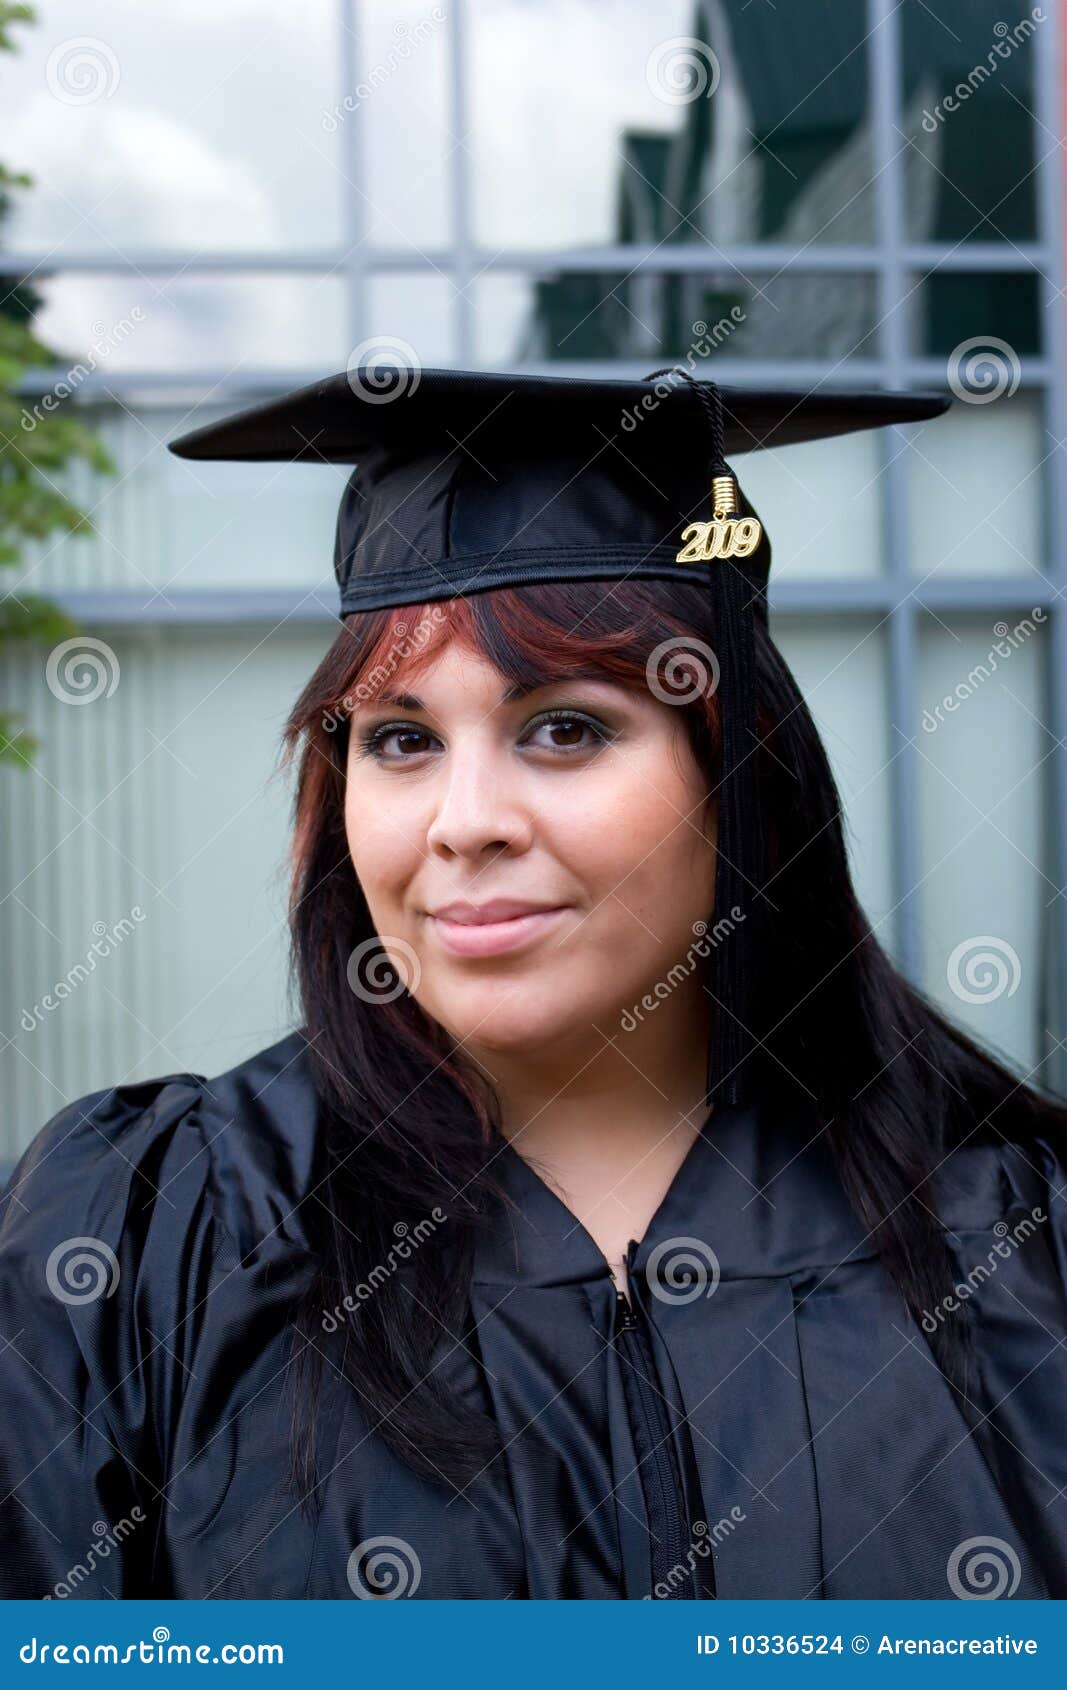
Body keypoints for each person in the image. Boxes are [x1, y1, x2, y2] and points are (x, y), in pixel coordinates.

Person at [1, 366, 1065, 1602]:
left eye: (564, 727)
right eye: (399, 739)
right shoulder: (149, 1244)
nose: (464, 823)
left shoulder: (1014, 1244)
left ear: (737, 770)